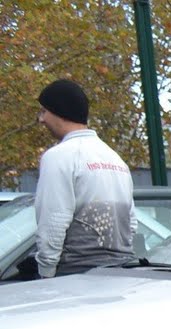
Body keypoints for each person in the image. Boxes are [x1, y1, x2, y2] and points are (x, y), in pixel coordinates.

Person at [33, 78, 134, 278]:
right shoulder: (115, 158)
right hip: (122, 272)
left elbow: (53, 221)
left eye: (44, 111)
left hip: (75, 274)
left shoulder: (58, 157)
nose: (41, 119)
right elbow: (130, 223)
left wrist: (45, 274)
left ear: (59, 111)